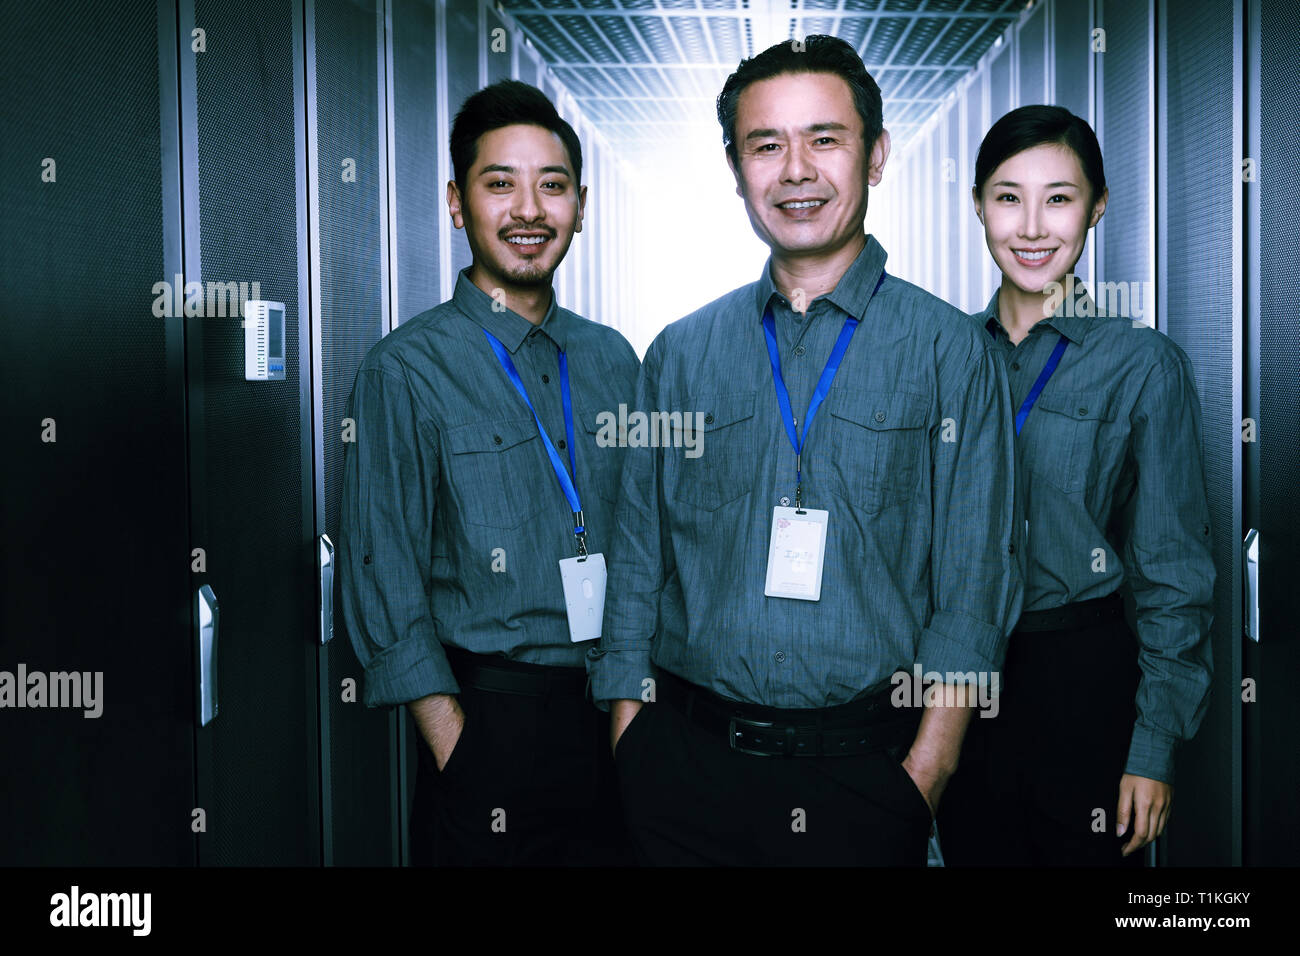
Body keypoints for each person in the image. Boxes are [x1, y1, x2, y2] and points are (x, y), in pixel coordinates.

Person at [586, 35, 1022, 866]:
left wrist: (926, 774)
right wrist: (632, 743)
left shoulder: (950, 352)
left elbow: (975, 582)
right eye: (766, 145)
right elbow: (639, 564)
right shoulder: (680, 353)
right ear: (735, 168)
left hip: (869, 774)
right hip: (686, 772)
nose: (795, 171)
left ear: (876, 154)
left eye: (824, 138)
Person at [338, 80, 639, 866]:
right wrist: (459, 750)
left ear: (581, 205)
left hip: (617, 719)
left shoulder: (613, 359)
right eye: (500, 183)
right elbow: (382, 571)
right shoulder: (405, 370)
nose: (528, 210)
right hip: (491, 726)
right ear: (456, 202)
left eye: (553, 186)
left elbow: (649, 545)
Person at [937, 105, 1215, 866]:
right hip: (949, 677)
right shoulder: (941, 353)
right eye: (1008, 196)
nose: (1032, 227)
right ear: (978, 205)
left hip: (1080, 680)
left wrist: (1154, 746)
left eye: (1059, 198)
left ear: (1096, 207)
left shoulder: (1143, 364)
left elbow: (1173, 572)